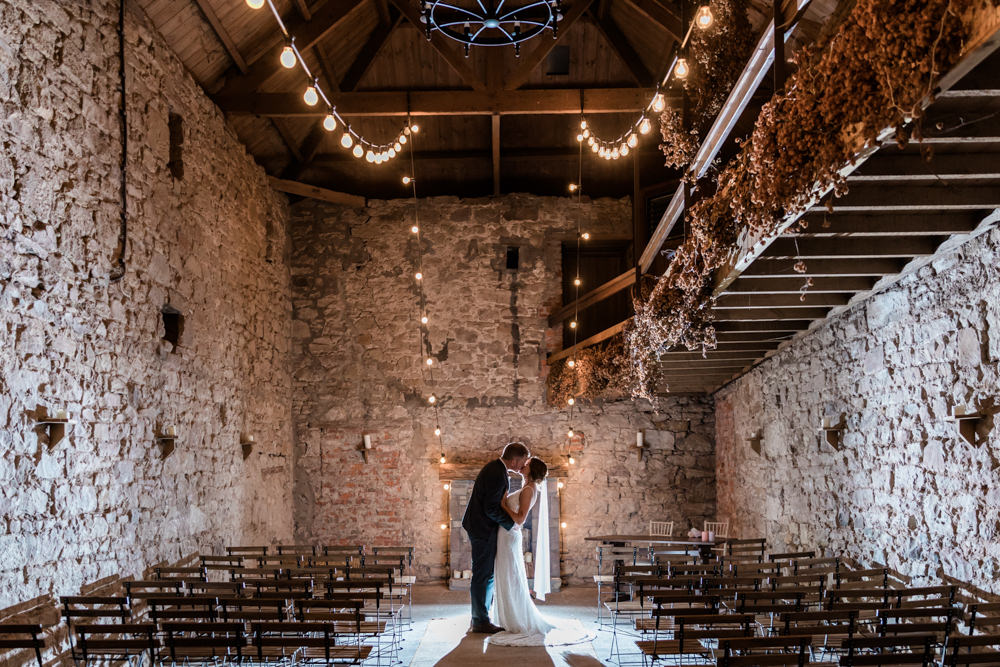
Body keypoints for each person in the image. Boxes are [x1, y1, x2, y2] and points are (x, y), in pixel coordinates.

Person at [488, 456, 594, 647]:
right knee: (507, 575)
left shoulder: (529, 490)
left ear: (532, 469)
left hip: (509, 536)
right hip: (505, 535)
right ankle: (508, 618)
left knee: (510, 576)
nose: (523, 465)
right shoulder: (526, 487)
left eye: (527, 464)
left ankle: (515, 620)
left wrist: (503, 505)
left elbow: (520, 519)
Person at [461, 441, 530, 634]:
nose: (523, 465)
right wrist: (511, 524)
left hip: (482, 527)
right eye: (522, 461)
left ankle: (480, 616)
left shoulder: (497, 469)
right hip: (482, 529)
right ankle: (480, 621)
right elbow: (490, 508)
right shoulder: (496, 473)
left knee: (486, 574)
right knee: (483, 574)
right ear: (514, 459)